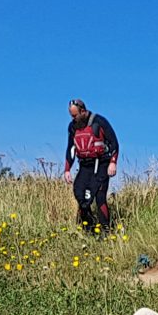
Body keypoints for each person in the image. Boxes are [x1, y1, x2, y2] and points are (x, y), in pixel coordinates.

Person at [64, 98, 119, 233]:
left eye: (75, 115)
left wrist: (113, 163)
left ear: (82, 111)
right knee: (79, 192)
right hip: (85, 165)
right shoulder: (72, 127)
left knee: (99, 196)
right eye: (71, 115)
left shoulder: (99, 122)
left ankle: (106, 231)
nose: (73, 118)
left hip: (101, 163)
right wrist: (67, 170)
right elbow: (71, 148)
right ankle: (88, 228)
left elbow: (114, 143)